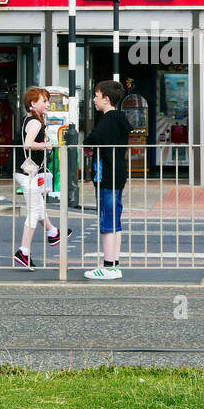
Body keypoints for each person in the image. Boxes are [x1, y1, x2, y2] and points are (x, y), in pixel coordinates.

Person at [12, 86, 67, 271]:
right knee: (34, 210)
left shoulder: (30, 119)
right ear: (33, 103)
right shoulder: (35, 122)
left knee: (38, 205)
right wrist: (45, 145)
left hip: (26, 171)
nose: (47, 104)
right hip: (27, 172)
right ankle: (23, 251)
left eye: (47, 100)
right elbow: (28, 144)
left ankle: (53, 232)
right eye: (44, 101)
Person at [84, 80, 131, 280]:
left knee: (107, 220)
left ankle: (109, 266)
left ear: (107, 99)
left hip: (107, 175)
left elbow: (92, 139)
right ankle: (114, 263)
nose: (94, 100)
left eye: (96, 96)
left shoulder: (109, 119)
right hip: (117, 173)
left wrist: (90, 141)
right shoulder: (120, 118)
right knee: (114, 219)